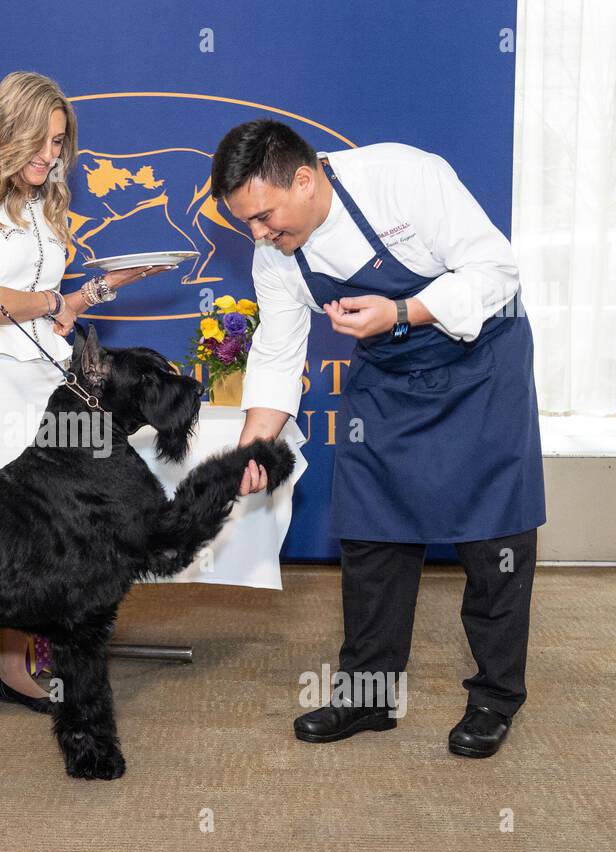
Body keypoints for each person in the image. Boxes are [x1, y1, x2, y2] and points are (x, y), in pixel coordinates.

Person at [215, 119, 545, 758]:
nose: (257, 234)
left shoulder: (403, 176)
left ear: (305, 180)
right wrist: (255, 445)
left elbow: (497, 272)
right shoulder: (276, 255)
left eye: (264, 216)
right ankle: (368, 696)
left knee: (493, 539)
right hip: (390, 377)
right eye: (247, 223)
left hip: (481, 365)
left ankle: (494, 698)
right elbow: (279, 352)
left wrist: (405, 311)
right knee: (371, 531)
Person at [0, 71, 167, 721]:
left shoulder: (43, 202)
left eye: (59, 142)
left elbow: (53, 314)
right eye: (40, 140)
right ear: (6, 129)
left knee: (36, 530)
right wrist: (55, 302)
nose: (51, 155)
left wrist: (106, 286)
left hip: (40, 378)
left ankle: (14, 665)